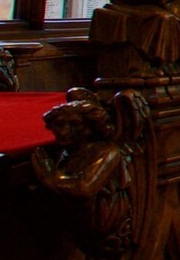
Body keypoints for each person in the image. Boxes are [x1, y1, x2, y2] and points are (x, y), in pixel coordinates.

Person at [33, 97, 134, 256]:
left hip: (105, 233)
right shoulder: (68, 152)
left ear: (91, 126)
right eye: (60, 124)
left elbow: (84, 187)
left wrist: (48, 177)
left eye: (75, 125)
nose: (65, 131)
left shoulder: (107, 152)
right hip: (79, 230)